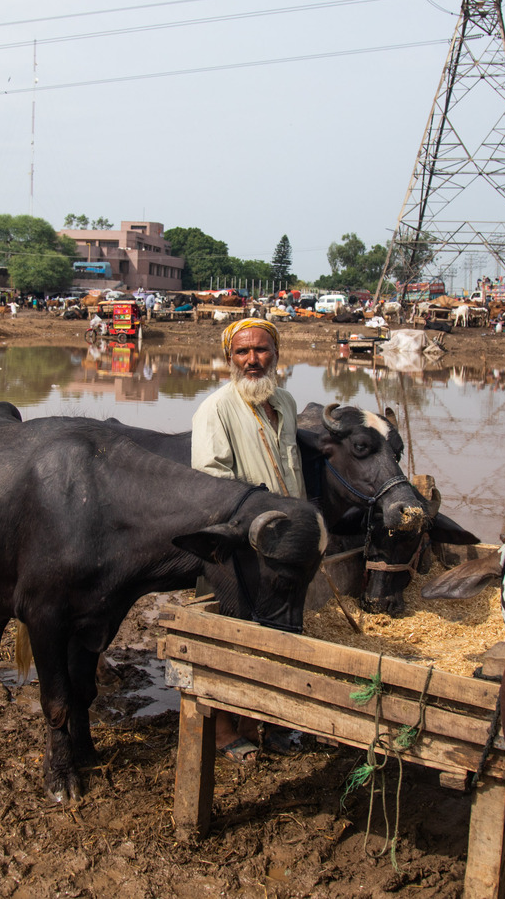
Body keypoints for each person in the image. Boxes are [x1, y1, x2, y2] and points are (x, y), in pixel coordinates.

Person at [192, 319, 306, 763]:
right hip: (238, 543)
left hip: (283, 544)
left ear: (276, 355)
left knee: (274, 632)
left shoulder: (286, 402)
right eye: (242, 352)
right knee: (227, 632)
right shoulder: (215, 409)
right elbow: (210, 483)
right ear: (229, 359)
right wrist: (256, 519)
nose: (252, 360)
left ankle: (255, 721)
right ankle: (222, 730)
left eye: (261, 350)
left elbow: (293, 468)